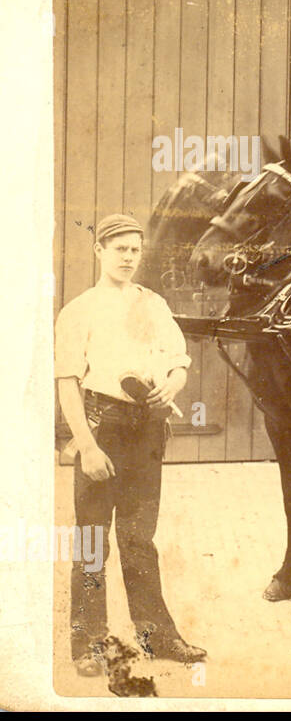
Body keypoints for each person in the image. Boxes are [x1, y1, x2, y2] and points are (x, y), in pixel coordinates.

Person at [55, 213, 207, 676]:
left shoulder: (155, 305)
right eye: (119, 248)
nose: (128, 257)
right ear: (99, 251)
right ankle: (88, 643)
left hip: (146, 431)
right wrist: (87, 446)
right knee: (91, 540)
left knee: (140, 540)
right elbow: (67, 383)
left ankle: (156, 636)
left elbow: (180, 361)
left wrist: (174, 386)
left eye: (135, 250)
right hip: (102, 428)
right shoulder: (79, 309)